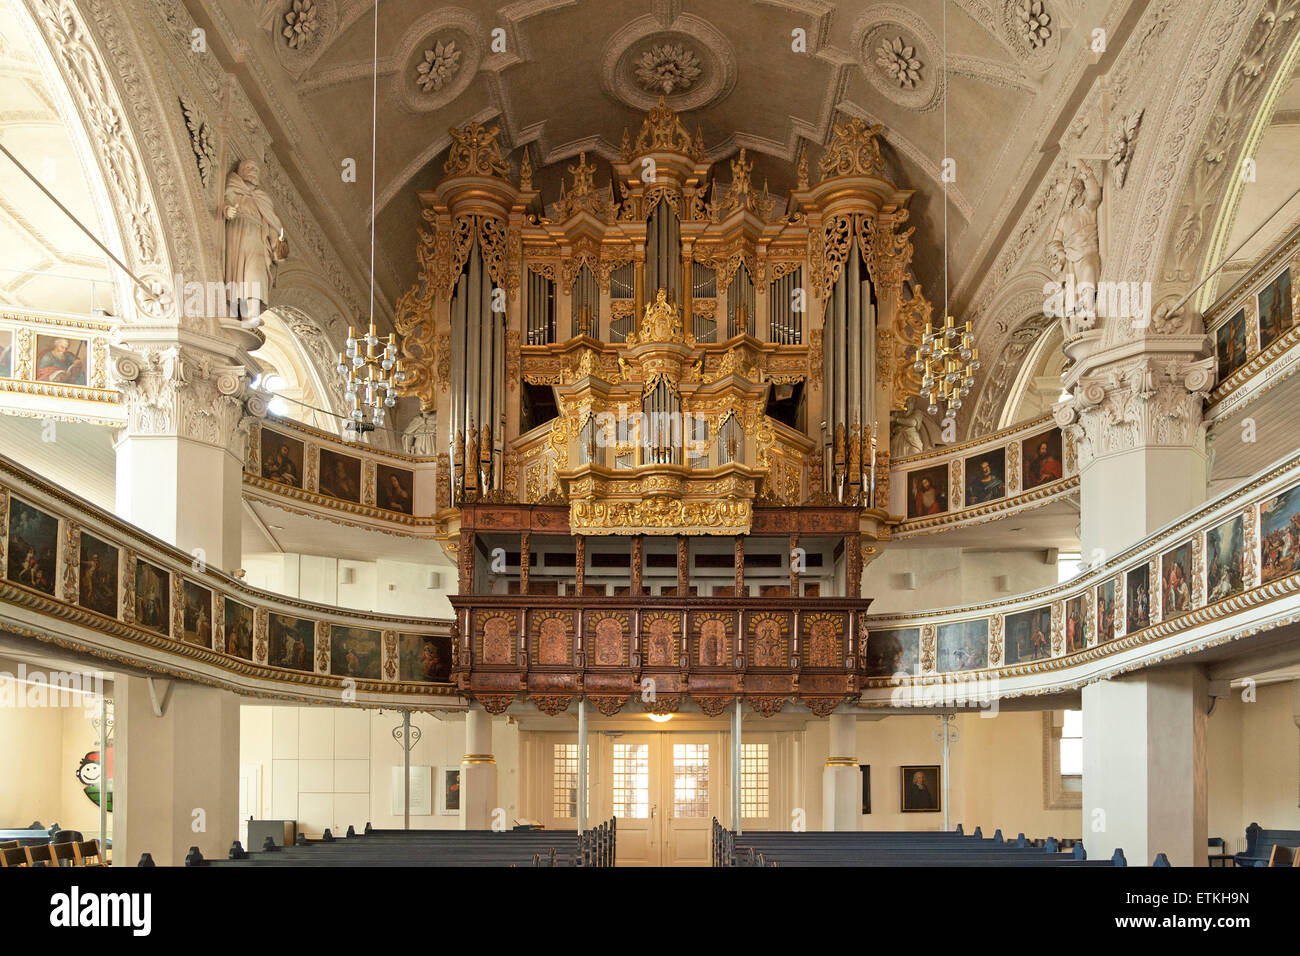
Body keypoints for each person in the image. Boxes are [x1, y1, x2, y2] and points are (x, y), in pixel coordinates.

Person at [224, 159, 287, 323]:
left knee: (256, 274)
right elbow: (223, 202)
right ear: (240, 171)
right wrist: (227, 210)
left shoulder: (263, 198)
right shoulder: (232, 189)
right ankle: (234, 312)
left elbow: (272, 225)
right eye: (249, 168)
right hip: (237, 235)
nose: (253, 171)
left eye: (256, 170)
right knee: (237, 277)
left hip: (258, 241)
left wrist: (277, 247)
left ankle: (250, 314)